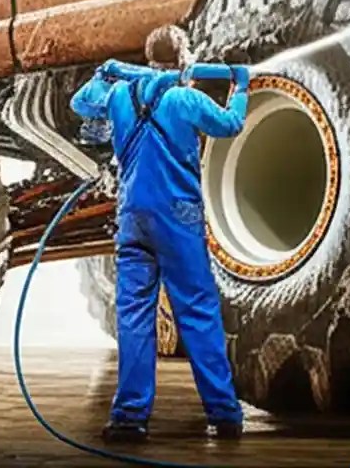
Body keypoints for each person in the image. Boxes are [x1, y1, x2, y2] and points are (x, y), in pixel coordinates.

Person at [70, 25, 250, 442]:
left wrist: (108, 72)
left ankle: (129, 418)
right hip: (178, 218)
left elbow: (81, 103)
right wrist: (240, 84)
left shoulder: (120, 96)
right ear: (184, 55)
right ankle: (224, 414)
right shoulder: (185, 98)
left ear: (148, 57)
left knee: (133, 315)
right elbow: (230, 124)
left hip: (133, 218)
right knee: (198, 311)